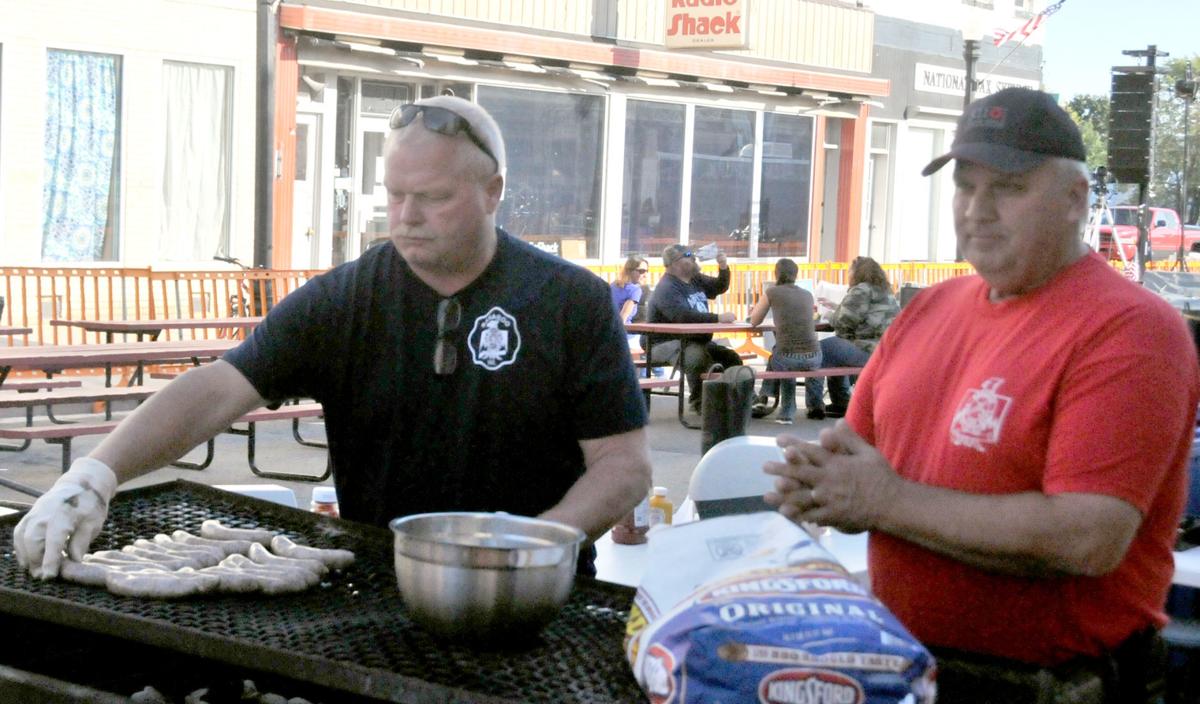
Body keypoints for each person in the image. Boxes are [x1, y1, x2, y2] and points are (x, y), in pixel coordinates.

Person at [14, 95, 652, 580]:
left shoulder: (570, 301)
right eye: (395, 194)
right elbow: (217, 389)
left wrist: (536, 545)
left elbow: (622, 467)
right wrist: (93, 476)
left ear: (493, 193)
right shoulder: (347, 298)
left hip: (540, 592)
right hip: (377, 581)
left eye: (431, 197)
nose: (405, 217)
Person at [764, 87, 1200, 701]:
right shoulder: (931, 308)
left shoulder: (1131, 328)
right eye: (966, 186)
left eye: (1010, 187)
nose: (979, 209)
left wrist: (885, 501)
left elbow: (1086, 537)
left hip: (1051, 687)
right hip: (904, 670)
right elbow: (852, 458)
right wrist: (812, 480)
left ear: (1076, 200)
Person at [644, 244, 741, 414]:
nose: (693, 257)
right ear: (674, 263)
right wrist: (717, 318)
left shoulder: (696, 279)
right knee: (696, 357)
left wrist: (723, 267)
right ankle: (700, 402)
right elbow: (682, 316)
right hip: (662, 343)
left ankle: (744, 401)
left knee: (731, 357)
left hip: (692, 340)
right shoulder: (667, 288)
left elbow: (719, 287)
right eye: (688, 255)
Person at [810, 255, 899, 419]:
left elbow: (844, 323)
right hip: (885, 350)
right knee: (837, 350)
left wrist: (829, 314)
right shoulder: (886, 292)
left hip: (866, 349)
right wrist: (837, 307)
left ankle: (816, 405)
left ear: (857, 273)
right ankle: (841, 402)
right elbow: (866, 314)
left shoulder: (860, 290)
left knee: (818, 352)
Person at [747, 258, 821, 425]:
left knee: (780, 356)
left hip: (788, 357)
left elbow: (754, 321)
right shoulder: (808, 294)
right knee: (779, 353)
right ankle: (773, 402)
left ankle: (780, 406)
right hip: (815, 356)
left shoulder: (772, 292)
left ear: (776, 274)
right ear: (796, 275)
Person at [611, 255, 649, 325]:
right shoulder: (635, 290)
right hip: (625, 332)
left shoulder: (614, 284)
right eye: (641, 271)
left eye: (647, 271)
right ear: (630, 271)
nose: (645, 275)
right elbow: (623, 318)